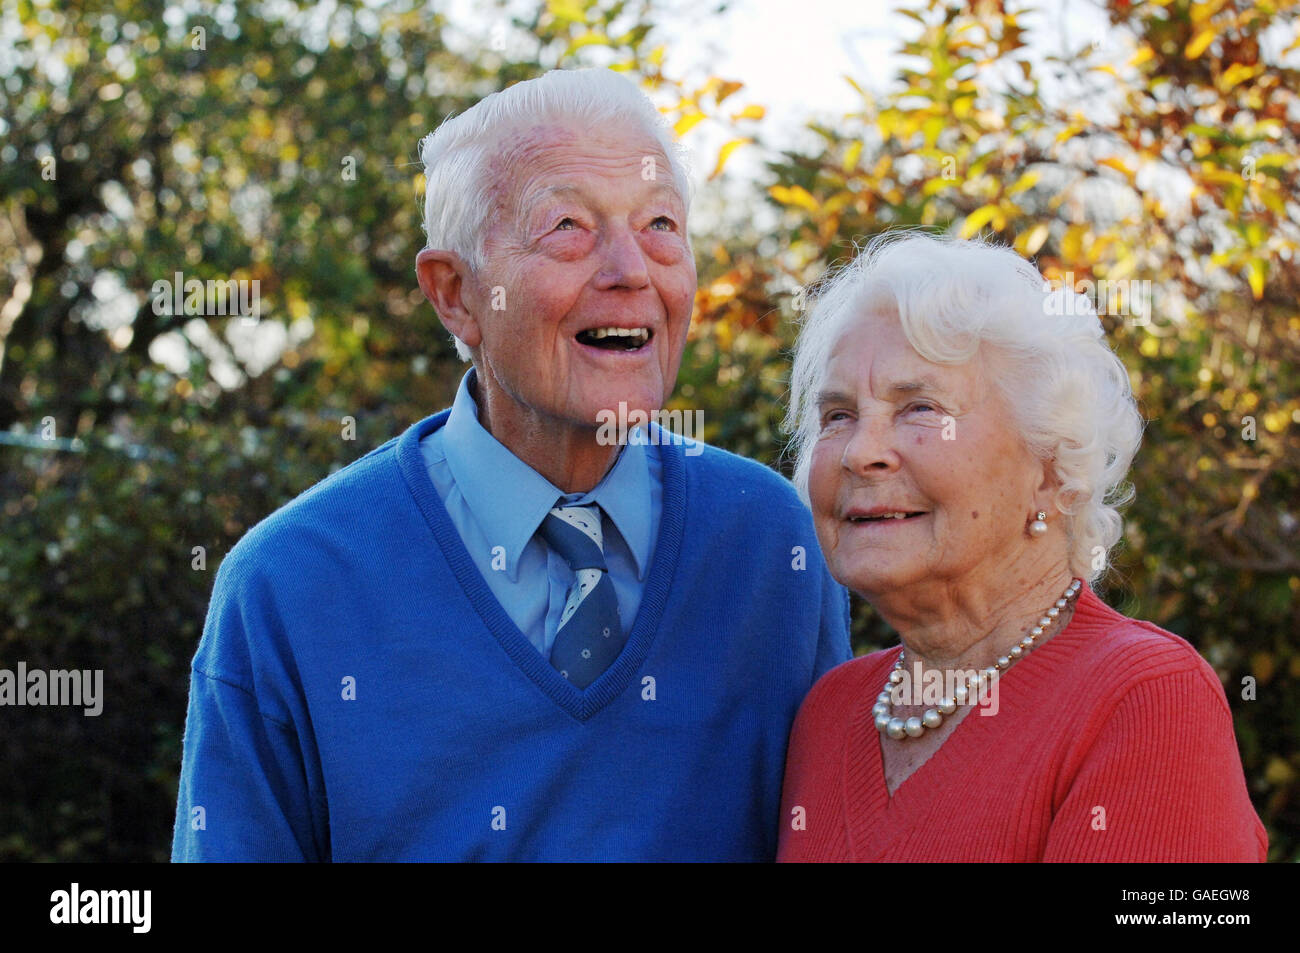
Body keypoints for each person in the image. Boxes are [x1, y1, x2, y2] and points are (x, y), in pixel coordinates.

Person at [170, 67, 850, 862]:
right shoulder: (288, 584)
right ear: (455, 294)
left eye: (661, 223)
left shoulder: (778, 544)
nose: (632, 269)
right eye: (568, 226)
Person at [776, 232, 1268, 862]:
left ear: (1049, 466)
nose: (858, 452)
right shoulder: (831, 713)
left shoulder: (1145, 700)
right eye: (838, 415)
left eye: (920, 407)